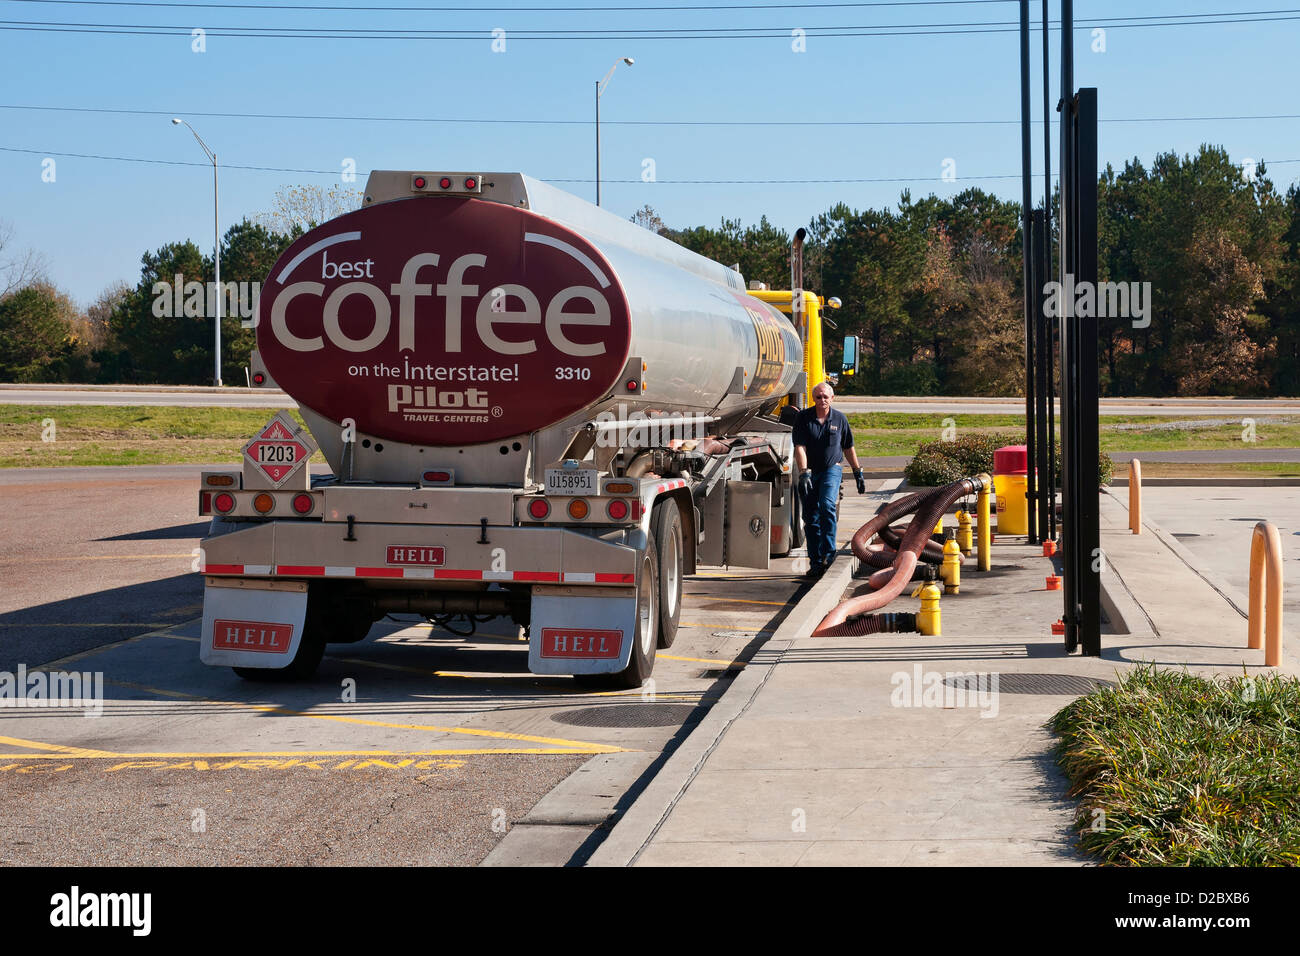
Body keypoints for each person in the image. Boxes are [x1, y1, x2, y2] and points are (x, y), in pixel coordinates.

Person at [792, 382, 865, 578]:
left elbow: (848, 447)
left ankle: (829, 554)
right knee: (810, 518)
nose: (822, 400)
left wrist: (857, 472)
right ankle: (816, 561)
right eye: (818, 397)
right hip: (810, 471)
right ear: (813, 398)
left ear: (832, 398)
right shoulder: (803, 418)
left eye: (825, 397)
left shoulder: (840, 419)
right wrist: (804, 471)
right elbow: (800, 447)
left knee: (826, 505)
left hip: (831, 470)